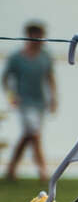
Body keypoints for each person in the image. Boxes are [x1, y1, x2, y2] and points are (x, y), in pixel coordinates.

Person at [4, 24, 55, 183]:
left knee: (28, 136)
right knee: (34, 134)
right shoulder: (17, 57)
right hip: (24, 102)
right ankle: (42, 169)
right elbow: (5, 79)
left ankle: (11, 168)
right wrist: (11, 96)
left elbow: (50, 78)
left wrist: (53, 98)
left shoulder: (46, 57)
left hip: (39, 103)